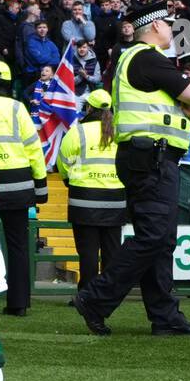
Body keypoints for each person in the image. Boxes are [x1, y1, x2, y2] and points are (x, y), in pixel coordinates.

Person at [71, 1, 190, 337]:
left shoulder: (136, 59)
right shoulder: (147, 58)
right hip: (151, 159)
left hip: (149, 158)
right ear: (156, 26)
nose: (172, 30)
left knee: (161, 239)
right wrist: (185, 102)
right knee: (154, 236)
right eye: (169, 24)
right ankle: (96, 298)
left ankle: (164, 315)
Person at [0, 61, 47, 317]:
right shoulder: (18, 109)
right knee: (18, 245)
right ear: (8, 83)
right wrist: (40, 187)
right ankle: (18, 303)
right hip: (18, 184)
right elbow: (34, 150)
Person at [57, 89, 126, 289]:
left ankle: (86, 294)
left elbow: (63, 162)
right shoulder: (120, 131)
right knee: (111, 252)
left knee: (87, 252)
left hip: (84, 198)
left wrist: (69, 180)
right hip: (115, 199)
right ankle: (107, 295)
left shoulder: (78, 131)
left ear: (89, 108)